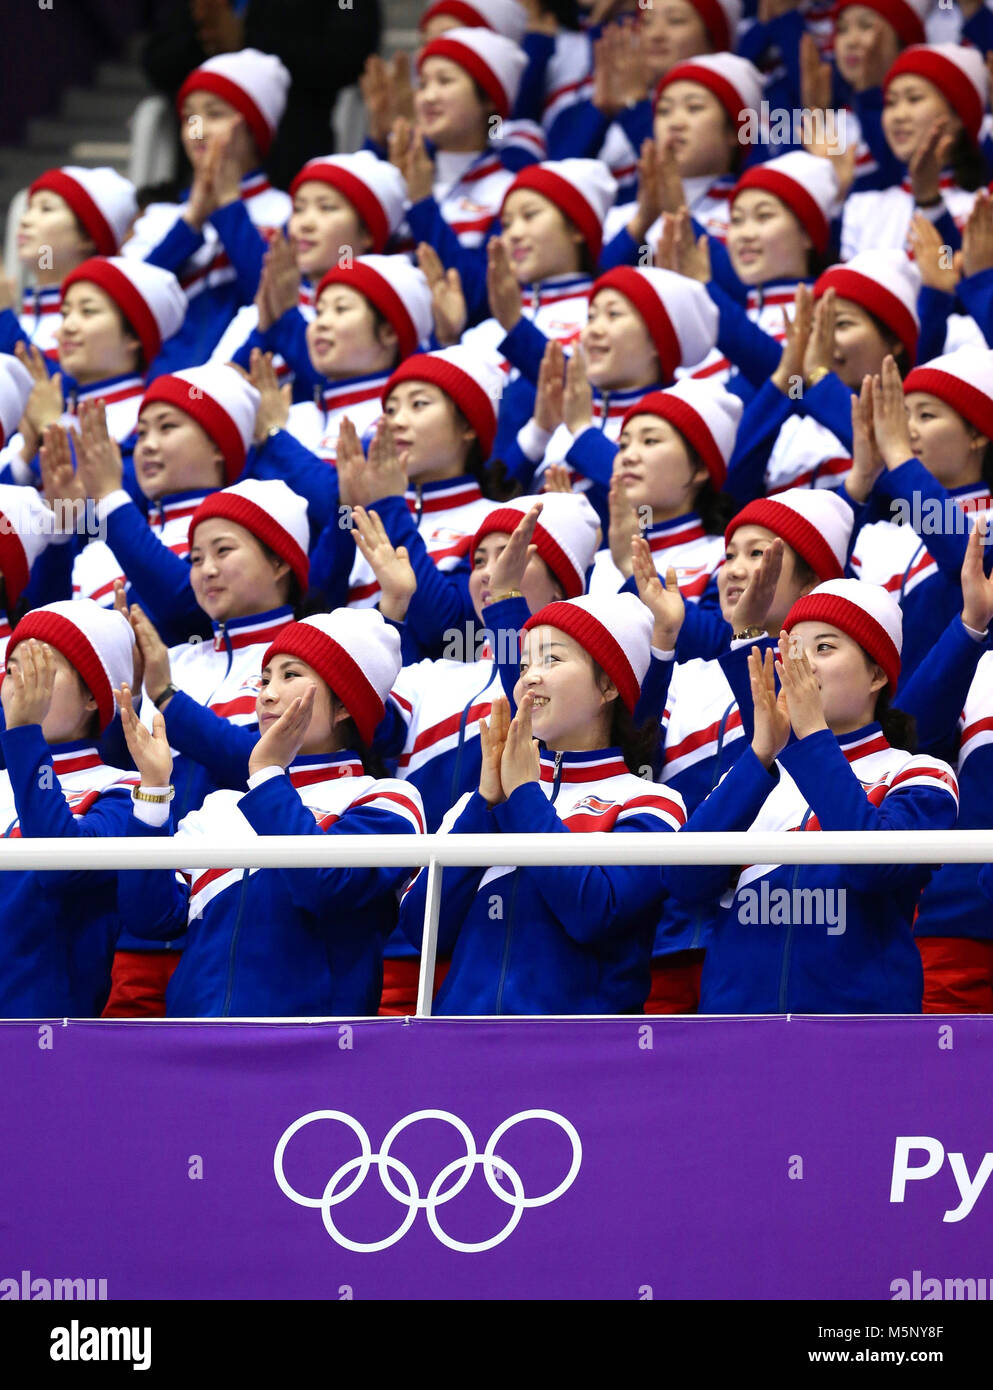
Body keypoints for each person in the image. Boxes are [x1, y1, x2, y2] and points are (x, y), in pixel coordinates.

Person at [667, 579, 959, 1013]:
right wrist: (761, 753)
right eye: (793, 651)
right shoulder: (753, 774)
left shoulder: (921, 773)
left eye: (824, 648)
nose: (802, 666)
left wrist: (813, 738)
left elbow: (872, 873)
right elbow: (683, 883)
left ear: (877, 674)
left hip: (861, 1039)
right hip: (736, 1032)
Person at [115, 608, 424, 1017]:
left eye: (290, 675)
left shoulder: (387, 798)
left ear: (346, 705)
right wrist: (154, 791)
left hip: (313, 1052)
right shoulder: (220, 805)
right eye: (264, 679)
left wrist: (267, 775)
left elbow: (324, 886)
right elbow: (149, 918)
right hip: (195, 1044)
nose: (266, 694)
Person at [399, 591, 687, 1014]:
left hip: (575, 1058)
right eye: (524, 665)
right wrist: (486, 805)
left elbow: (594, 913)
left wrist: (524, 797)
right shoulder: (476, 803)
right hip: (459, 1048)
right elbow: (421, 928)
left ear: (608, 685)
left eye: (552, 659)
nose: (529, 678)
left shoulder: (652, 802)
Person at [0, 601, 139, 1017]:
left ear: (94, 698)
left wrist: (24, 735)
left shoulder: (125, 790)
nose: (22, 685)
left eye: (42, 670)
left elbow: (60, 866)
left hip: (45, 1035)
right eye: (12, 670)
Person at [124, 48, 293, 369]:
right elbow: (126, 305)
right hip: (158, 396)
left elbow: (277, 301)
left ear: (254, 128)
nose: (197, 131)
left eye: (214, 114)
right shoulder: (160, 218)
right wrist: (192, 222)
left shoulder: (289, 213)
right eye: (190, 118)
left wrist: (229, 208)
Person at [1, 167, 137, 362]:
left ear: (88, 237)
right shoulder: (19, 318)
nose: (25, 220)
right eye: (29, 208)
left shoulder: (94, 334)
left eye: (46, 209)